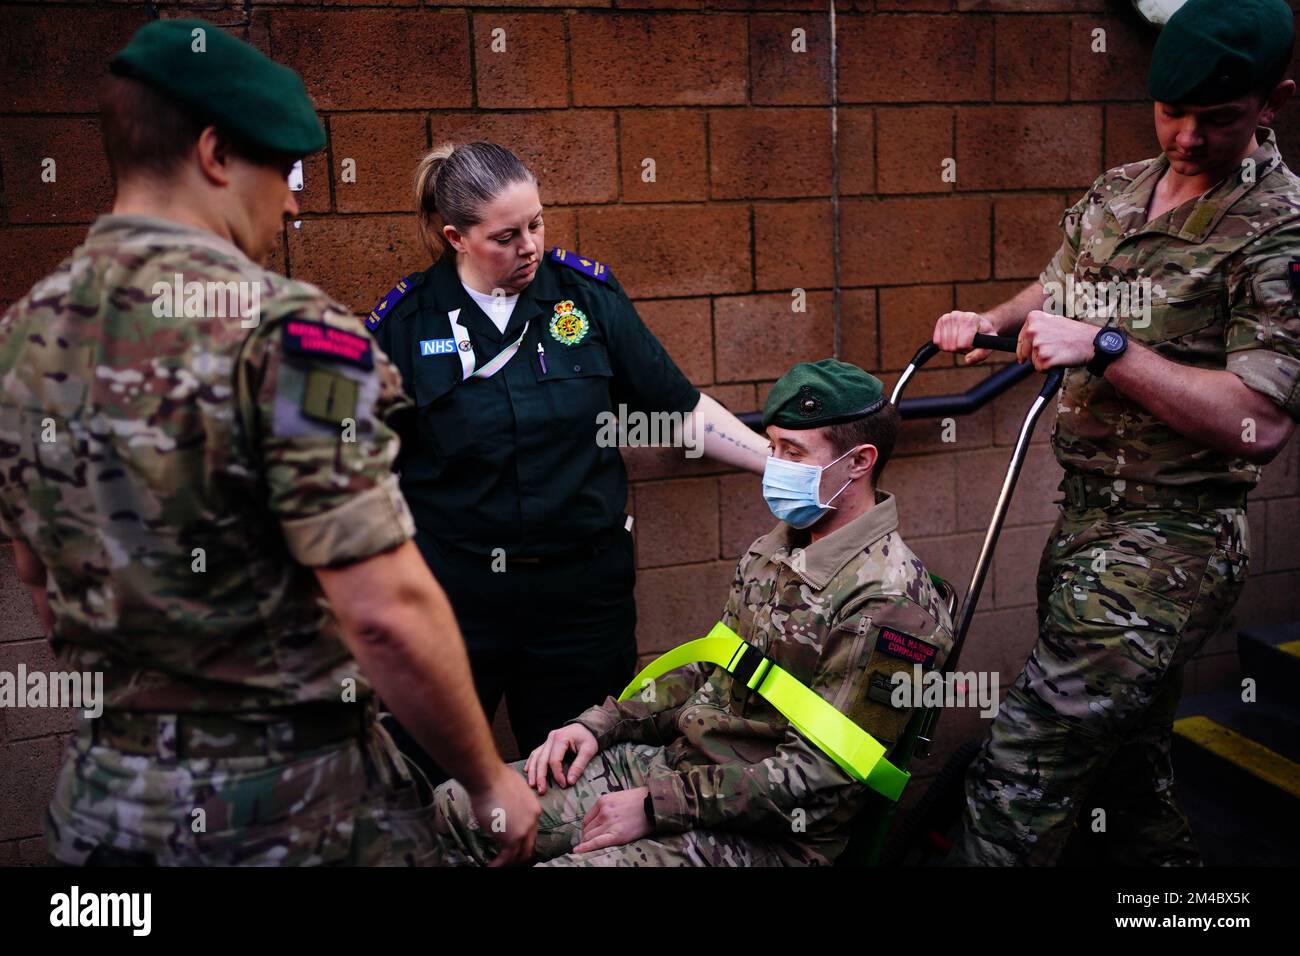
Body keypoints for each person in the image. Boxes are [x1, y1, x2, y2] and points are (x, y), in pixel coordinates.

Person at [0, 19, 537, 866]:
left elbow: (39, 579)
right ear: (215, 155)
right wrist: (486, 779)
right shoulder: (287, 335)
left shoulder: (19, 342)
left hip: (104, 816)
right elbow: (384, 611)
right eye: (283, 171)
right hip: (291, 819)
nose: (293, 201)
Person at [932, 0, 1299, 866]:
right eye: (1171, 112)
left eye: (1217, 119)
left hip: (1174, 539)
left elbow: (1263, 420)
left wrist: (1107, 348)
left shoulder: (1280, 229)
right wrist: (988, 322)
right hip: (1086, 518)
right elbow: (1058, 288)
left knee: (1024, 761)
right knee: (1129, 772)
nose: (1185, 137)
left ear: (1270, 103)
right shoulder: (1120, 190)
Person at [431, 360, 956, 866]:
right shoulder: (773, 551)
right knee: (458, 806)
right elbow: (711, 669)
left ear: (860, 461)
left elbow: (824, 778)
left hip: (767, 832)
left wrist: (657, 806)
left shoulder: (893, 605)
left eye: (793, 452)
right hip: (678, 769)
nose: (774, 466)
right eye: (772, 446)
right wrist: (600, 725)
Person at [367, 141, 771, 776]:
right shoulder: (407, 323)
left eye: (537, 223)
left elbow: (678, 409)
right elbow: (356, 461)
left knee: (576, 778)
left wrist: (775, 463)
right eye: (506, 235)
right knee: (424, 775)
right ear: (456, 237)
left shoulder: (585, 297)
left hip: (580, 601)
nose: (529, 245)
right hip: (456, 599)